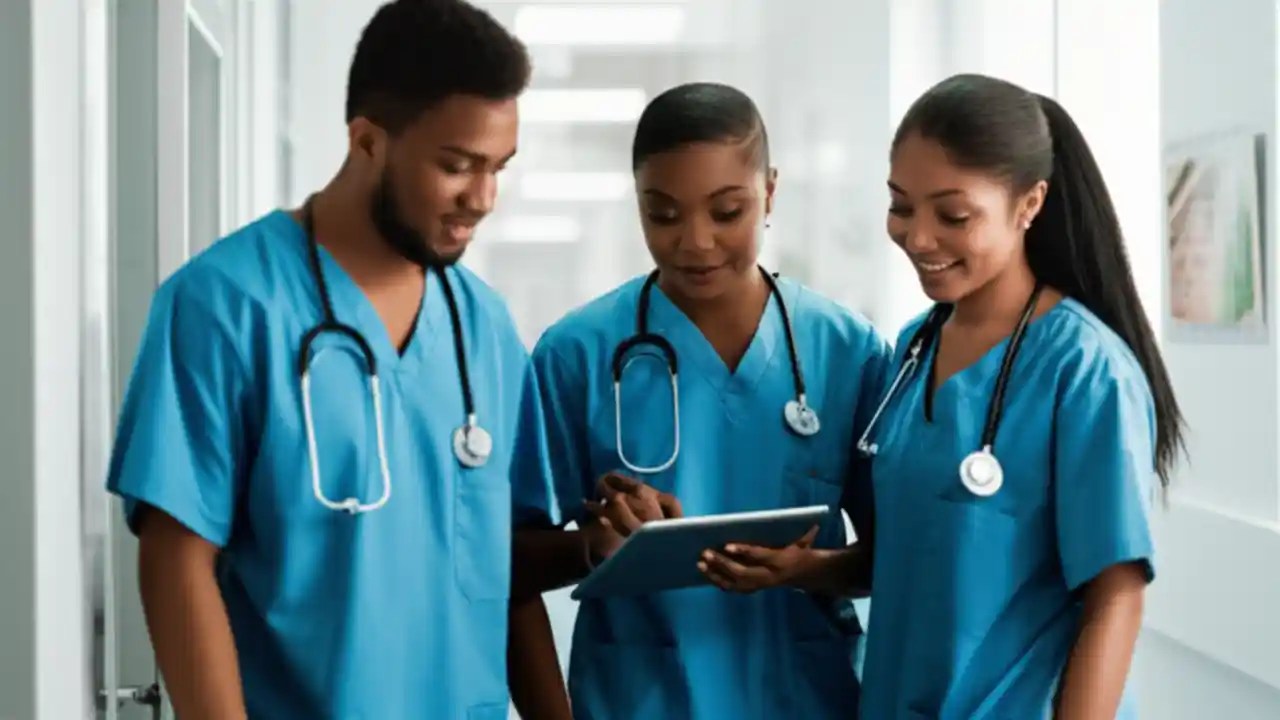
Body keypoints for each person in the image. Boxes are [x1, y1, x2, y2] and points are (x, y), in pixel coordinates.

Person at [104, 1, 559, 717]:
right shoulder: (225, 303)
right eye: (456, 165)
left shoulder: (487, 329)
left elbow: (509, 564)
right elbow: (175, 559)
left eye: (498, 168)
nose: (483, 198)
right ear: (367, 141)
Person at [508, 82, 893, 720]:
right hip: (636, 700)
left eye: (726, 211)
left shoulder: (846, 351)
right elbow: (507, 564)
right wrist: (592, 546)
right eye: (662, 214)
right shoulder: (576, 354)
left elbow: (893, 558)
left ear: (769, 191)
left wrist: (806, 567)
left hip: (806, 699)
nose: (696, 242)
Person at [849, 73, 1183, 718]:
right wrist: (795, 568)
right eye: (900, 205)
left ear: (1029, 205)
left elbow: (1116, 596)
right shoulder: (915, 347)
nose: (918, 238)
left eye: (952, 215)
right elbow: (919, 554)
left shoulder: (1083, 369)